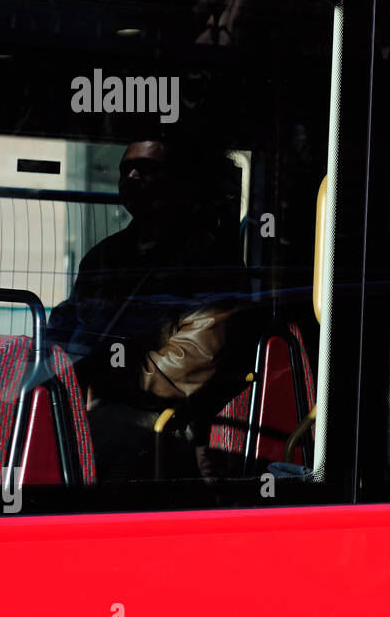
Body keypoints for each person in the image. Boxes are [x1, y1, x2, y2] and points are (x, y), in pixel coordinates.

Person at [47, 138, 253, 481]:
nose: (131, 177)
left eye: (147, 170)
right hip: (91, 393)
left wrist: (105, 377)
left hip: (168, 417)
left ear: (182, 183)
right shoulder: (106, 256)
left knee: (73, 441)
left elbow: (189, 365)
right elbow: (68, 320)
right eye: (125, 169)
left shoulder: (210, 263)